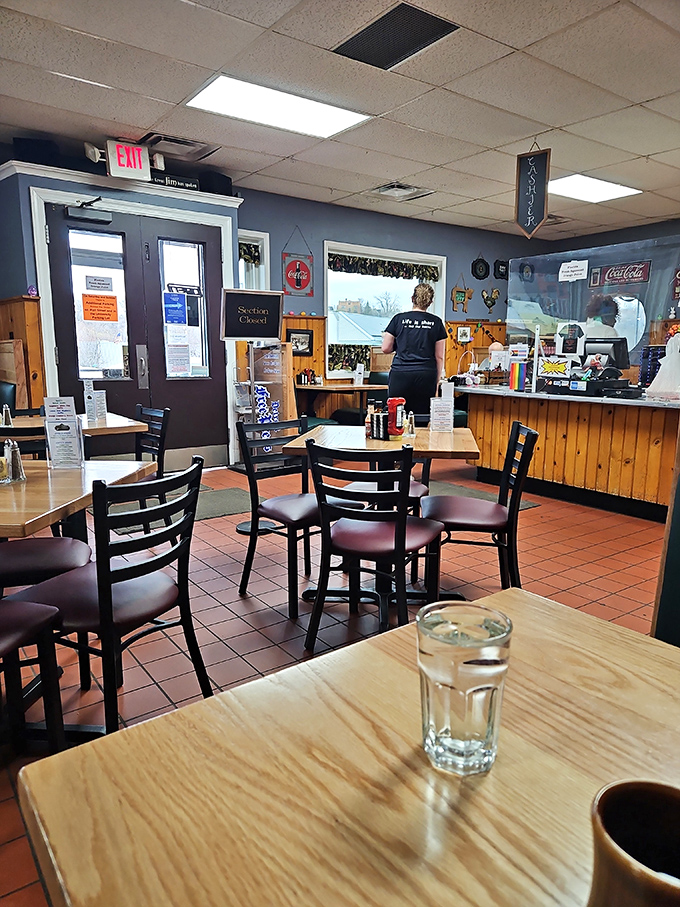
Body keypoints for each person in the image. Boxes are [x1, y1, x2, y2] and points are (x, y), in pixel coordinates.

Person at [381, 283, 447, 415]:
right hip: (425, 375)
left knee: (396, 416)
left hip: (401, 374)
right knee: (422, 416)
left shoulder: (398, 319)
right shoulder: (437, 322)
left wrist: (399, 344)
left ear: (412, 298)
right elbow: (439, 356)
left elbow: (385, 348)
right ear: (430, 302)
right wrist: (436, 382)